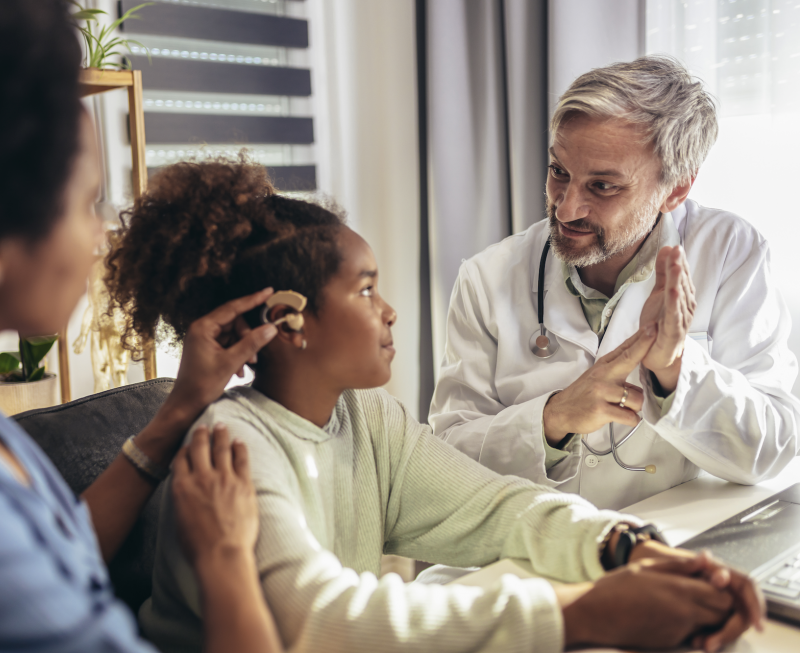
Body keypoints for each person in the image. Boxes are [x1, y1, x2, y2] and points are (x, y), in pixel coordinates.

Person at [105, 158, 764, 653]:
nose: (389, 311)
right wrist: (582, 611)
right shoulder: (229, 445)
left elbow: (500, 509)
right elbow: (316, 616)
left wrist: (626, 546)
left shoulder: (368, 419)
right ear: (289, 318)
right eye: (365, 291)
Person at [0, 2, 281, 652]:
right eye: (87, 203)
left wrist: (177, 411)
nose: (100, 237)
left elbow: (52, 558)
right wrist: (227, 556)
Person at [429, 55, 800, 510]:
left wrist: (674, 370)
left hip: (672, 544)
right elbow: (442, 460)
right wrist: (552, 419)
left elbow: (773, 449)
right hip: (536, 552)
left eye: (602, 187)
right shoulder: (486, 278)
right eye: (558, 172)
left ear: (676, 189)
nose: (564, 210)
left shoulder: (729, 253)